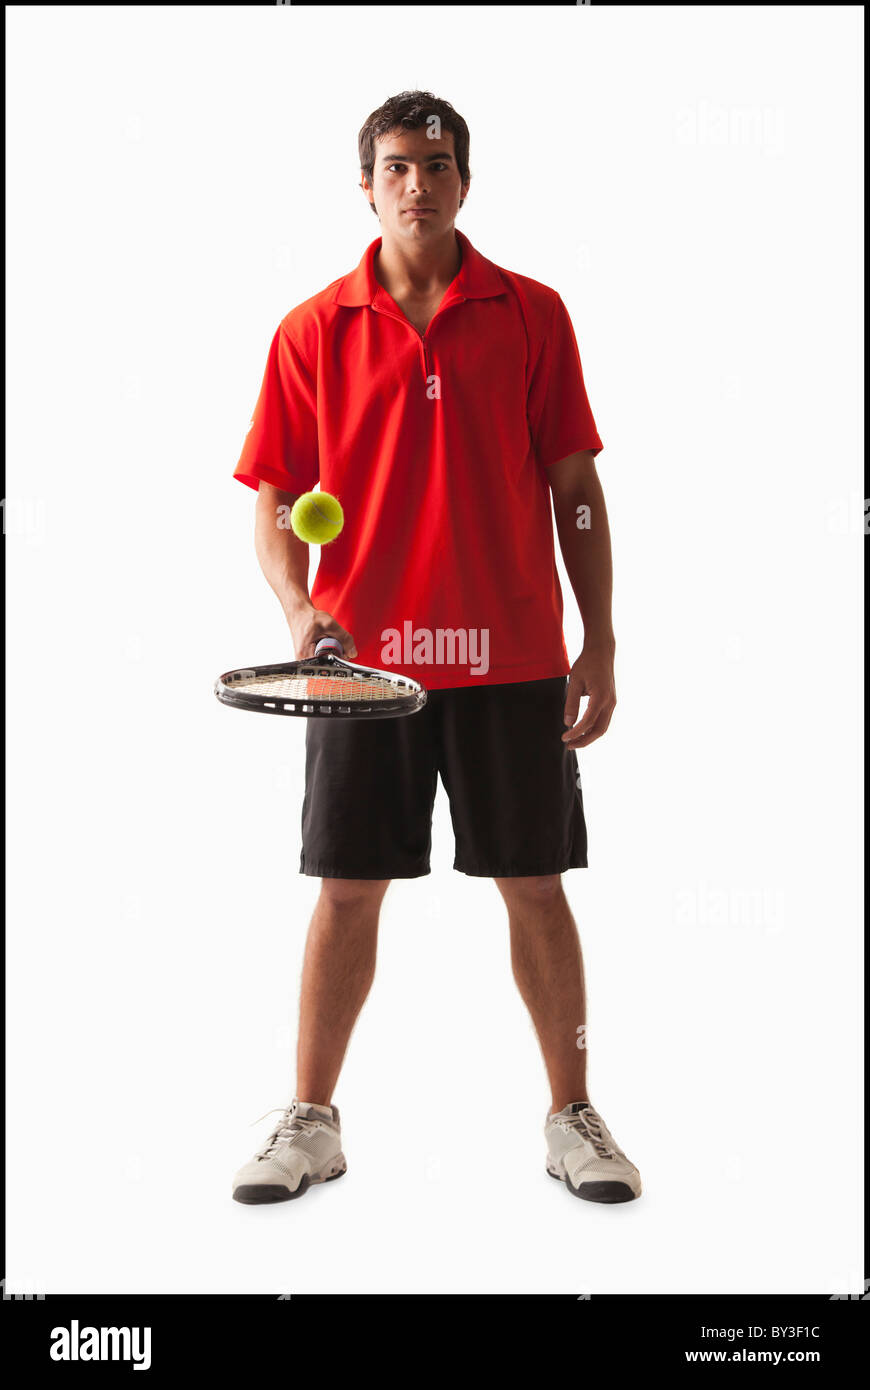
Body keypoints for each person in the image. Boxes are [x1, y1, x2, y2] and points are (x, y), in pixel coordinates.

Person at [229, 91, 641, 1206]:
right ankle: (311, 1119)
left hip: (512, 654)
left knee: (535, 882)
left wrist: (597, 638)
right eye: (399, 165)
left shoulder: (534, 313)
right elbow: (274, 496)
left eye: (439, 163)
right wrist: (297, 606)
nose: (419, 182)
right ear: (366, 184)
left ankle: (573, 1115)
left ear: (466, 181)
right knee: (348, 887)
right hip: (368, 671)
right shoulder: (314, 328)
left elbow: (576, 487)